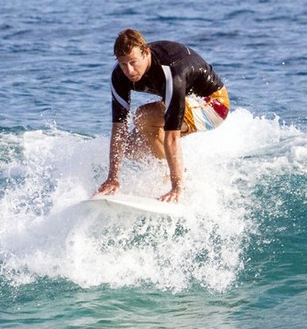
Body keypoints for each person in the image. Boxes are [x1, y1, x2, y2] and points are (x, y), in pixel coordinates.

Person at [96, 29, 229, 203]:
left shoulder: (170, 70)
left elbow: (172, 136)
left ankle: (177, 182)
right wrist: (112, 176)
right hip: (187, 102)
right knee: (130, 147)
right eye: (123, 64)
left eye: (133, 62)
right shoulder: (119, 76)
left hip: (213, 106)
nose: (128, 70)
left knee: (143, 117)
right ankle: (177, 173)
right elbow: (119, 128)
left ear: (146, 53)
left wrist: (176, 187)